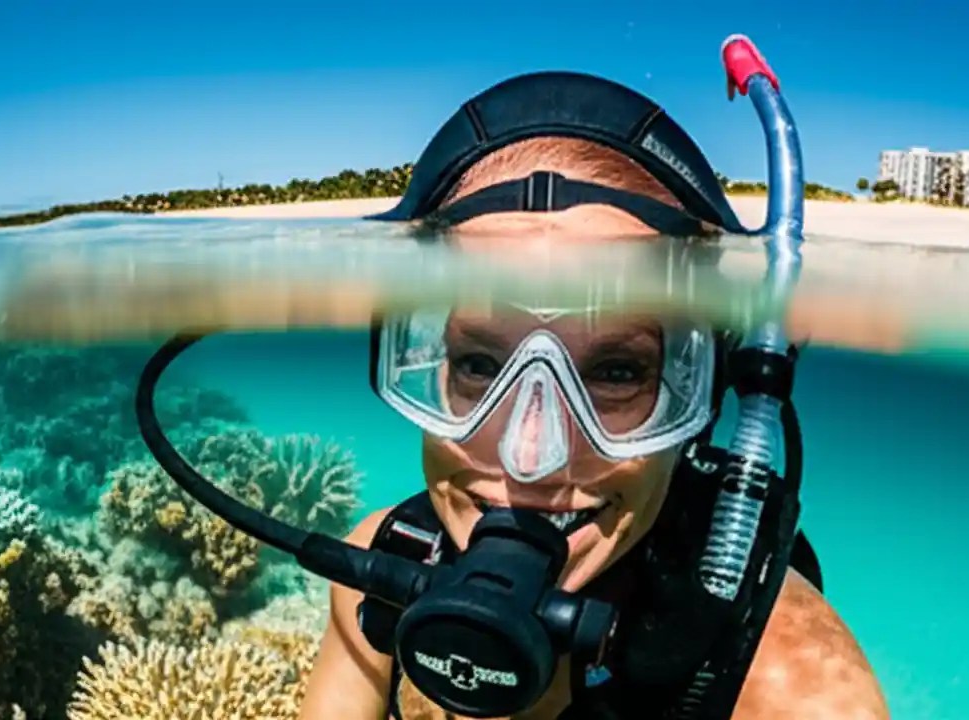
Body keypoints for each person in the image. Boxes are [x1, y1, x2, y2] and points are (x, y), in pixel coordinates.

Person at [298, 58, 891, 720]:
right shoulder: (373, 579)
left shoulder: (797, 690)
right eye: (480, 365)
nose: (530, 460)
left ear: (702, 398)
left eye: (614, 373)